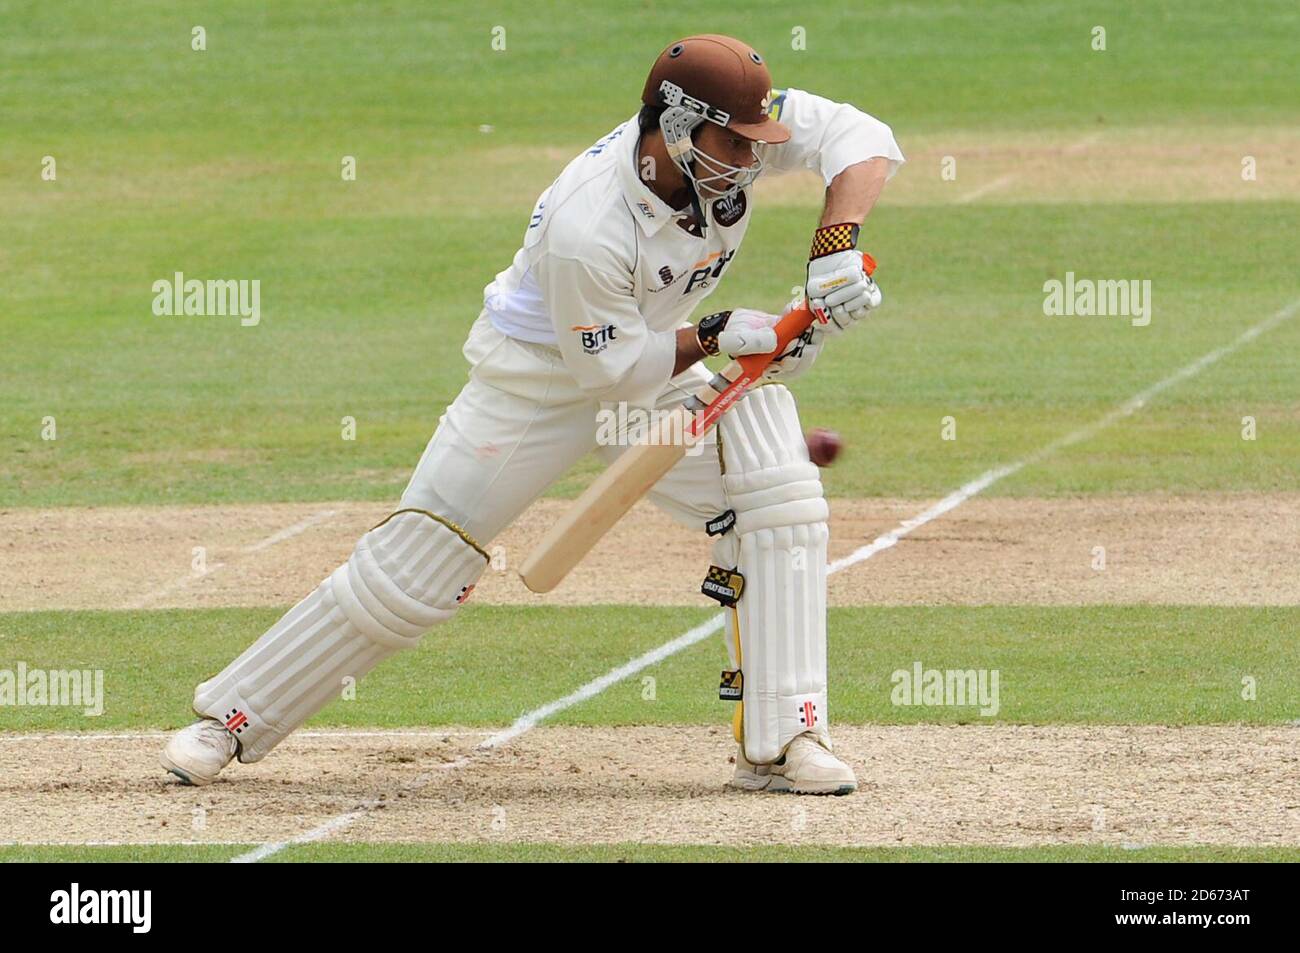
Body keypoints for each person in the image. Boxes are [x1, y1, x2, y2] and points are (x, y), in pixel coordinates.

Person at [161, 33, 904, 794]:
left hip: (649, 365)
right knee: (417, 568)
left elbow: (861, 138)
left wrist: (832, 255)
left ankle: (784, 741)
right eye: (734, 144)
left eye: (757, 145)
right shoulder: (588, 225)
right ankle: (228, 719)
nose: (749, 162)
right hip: (536, 384)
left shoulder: (730, 133)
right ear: (677, 127)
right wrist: (715, 334)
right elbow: (608, 369)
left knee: (773, 493)